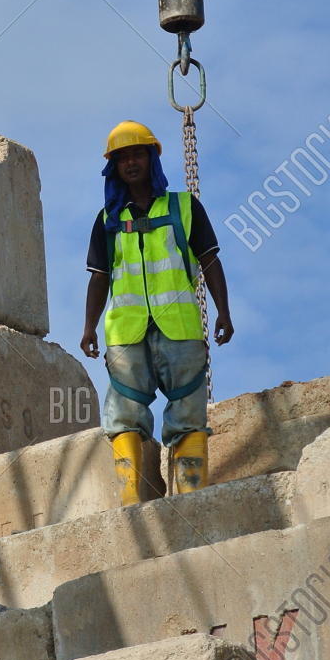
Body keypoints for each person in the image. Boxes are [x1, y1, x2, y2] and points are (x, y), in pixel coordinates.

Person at [79, 121, 233, 501]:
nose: (131, 163)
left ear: (151, 159)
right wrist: (89, 328)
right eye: (122, 157)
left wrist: (223, 312)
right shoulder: (107, 220)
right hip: (126, 334)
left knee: (188, 415)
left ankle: (192, 497)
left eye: (137, 154)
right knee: (124, 418)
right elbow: (99, 278)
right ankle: (131, 501)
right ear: (113, 167)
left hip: (179, 330)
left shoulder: (184, 206)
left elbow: (210, 261)